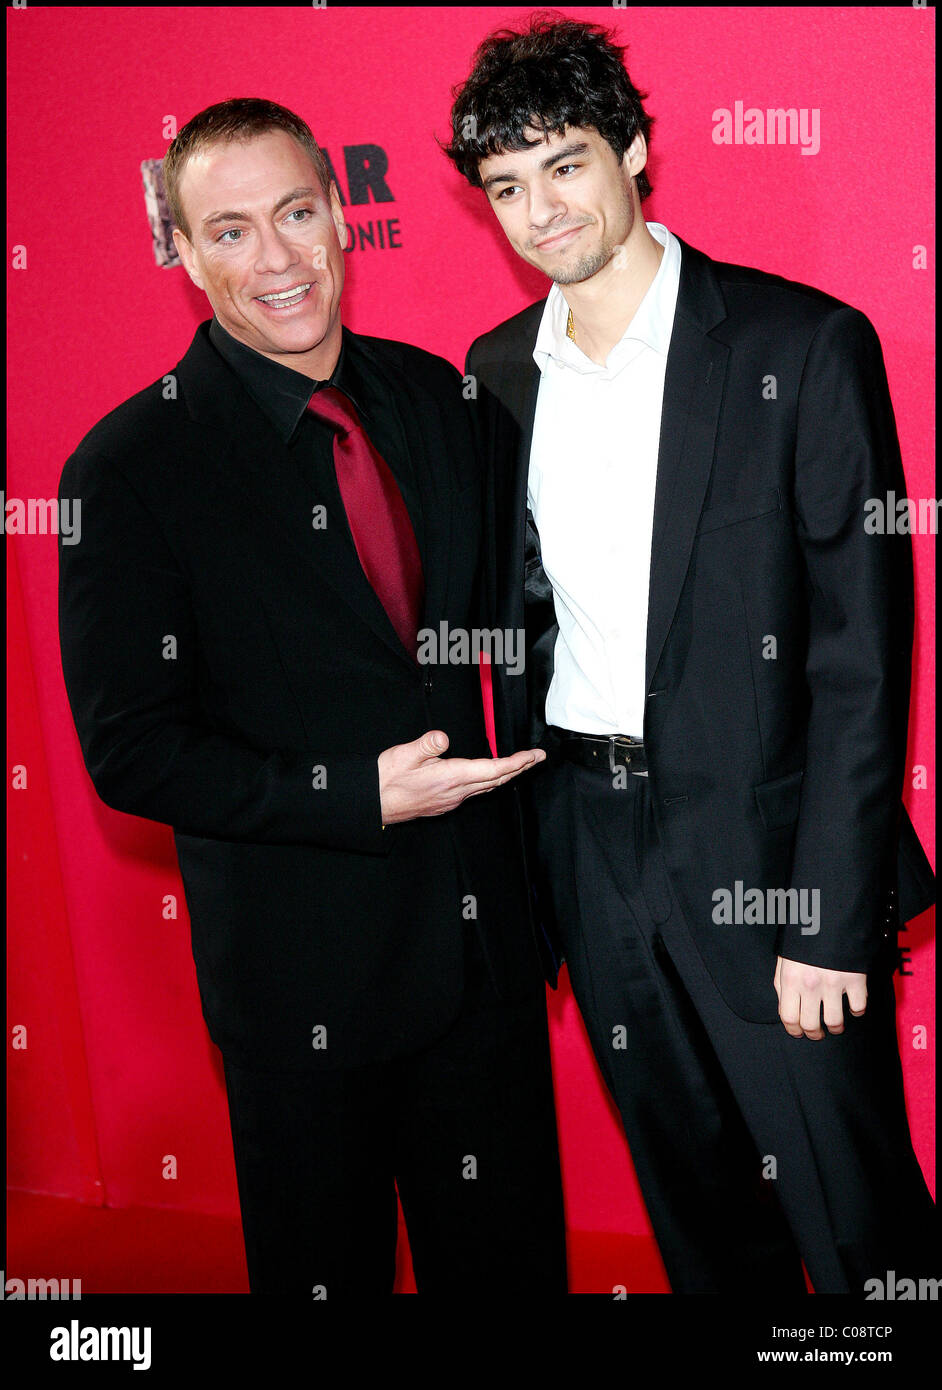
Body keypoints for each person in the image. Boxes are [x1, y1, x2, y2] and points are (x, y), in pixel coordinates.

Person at [445, 16, 937, 1293]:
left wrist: (829, 919)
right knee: (700, 1217)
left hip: (771, 860)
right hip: (590, 849)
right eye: (506, 187)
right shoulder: (497, 374)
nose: (540, 210)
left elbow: (861, 660)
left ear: (636, 150)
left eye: (564, 165)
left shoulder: (800, 345)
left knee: (856, 1219)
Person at [57, 97, 566, 1297]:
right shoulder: (128, 469)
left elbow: (539, 615)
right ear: (182, 254)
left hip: (483, 963)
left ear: (342, 217)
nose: (275, 259)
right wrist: (356, 794)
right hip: (304, 992)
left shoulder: (445, 404)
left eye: (294, 214)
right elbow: (132, 752)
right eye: (227, 232)